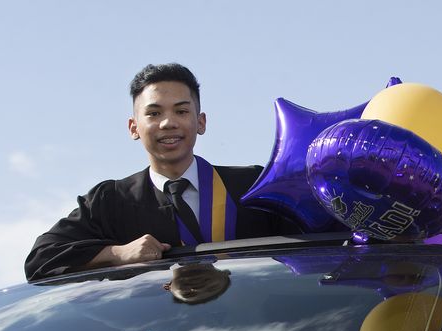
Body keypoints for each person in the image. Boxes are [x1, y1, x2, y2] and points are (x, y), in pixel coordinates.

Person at [25, 63, 293, 282]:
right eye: (153, 113)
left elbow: (317, 249)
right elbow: (41, 260)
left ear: (200, 122)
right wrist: (117, 253)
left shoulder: (253, 186)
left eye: (181, 110)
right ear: (133, 127)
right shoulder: (111, 201)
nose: (168, 123)